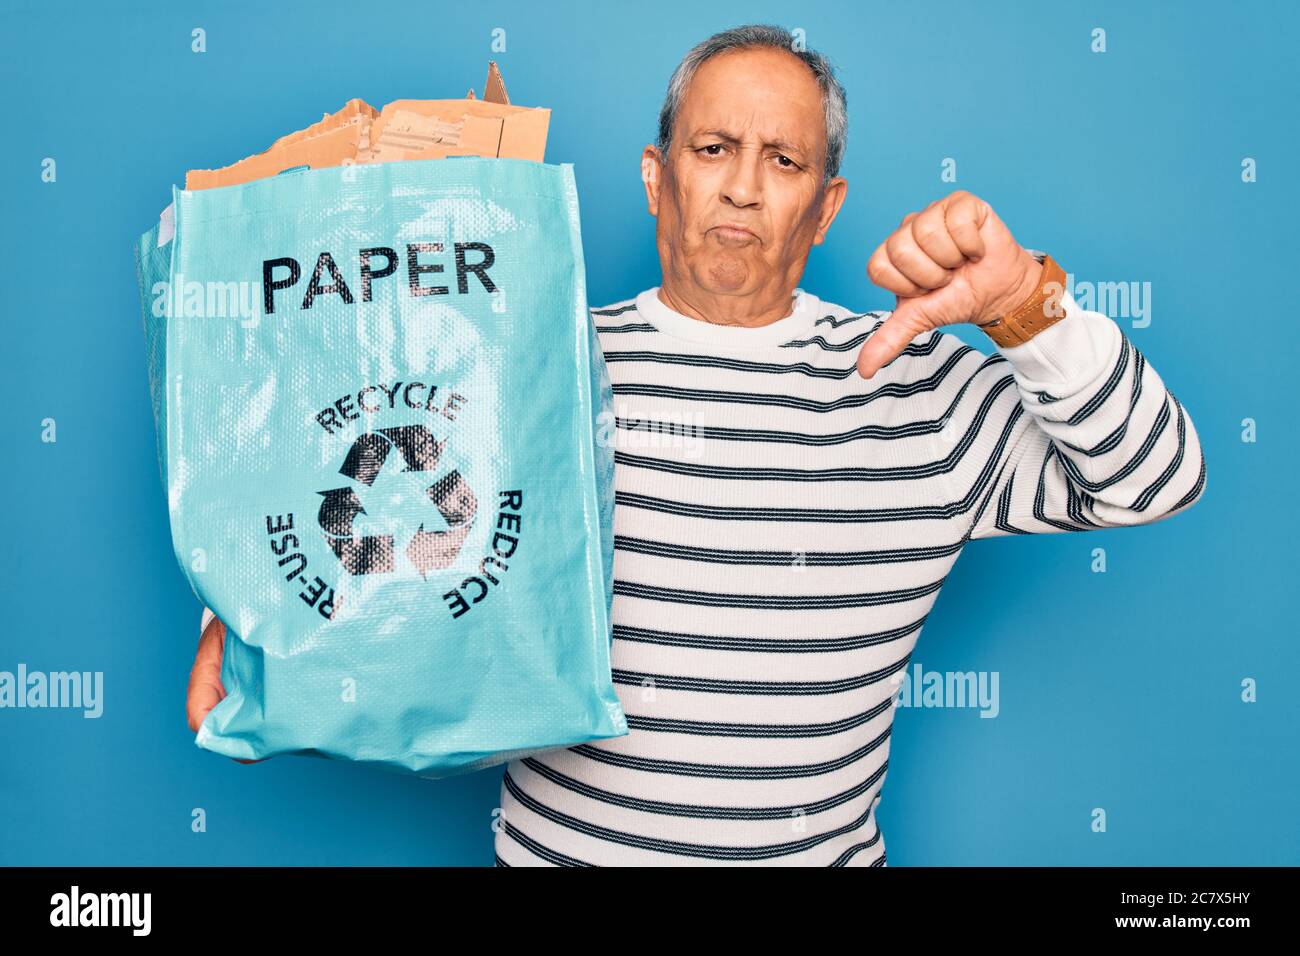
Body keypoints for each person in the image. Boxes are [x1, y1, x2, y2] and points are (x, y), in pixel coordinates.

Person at [188, 23, 1207, 866]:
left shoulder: (925, 384)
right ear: (655, 174)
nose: (742, 187)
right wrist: (270, 636)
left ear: (825, 206)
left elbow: (1153, 481)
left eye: (784, 159)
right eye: (712, 148)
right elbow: (401, 564)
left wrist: (1029, 304)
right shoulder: (522, 366)